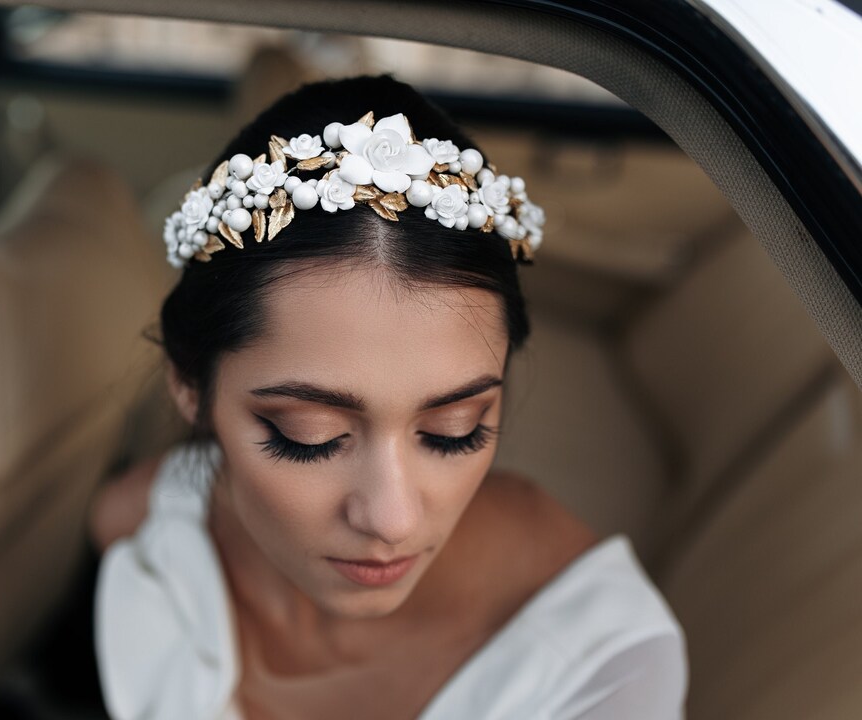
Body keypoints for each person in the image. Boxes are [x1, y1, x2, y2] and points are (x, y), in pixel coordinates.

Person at [89, 74, 688, 719]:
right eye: (308, 436)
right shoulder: (149, 527)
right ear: (188, 384)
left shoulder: (603, 671)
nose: (393, 521)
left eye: (455, 429)